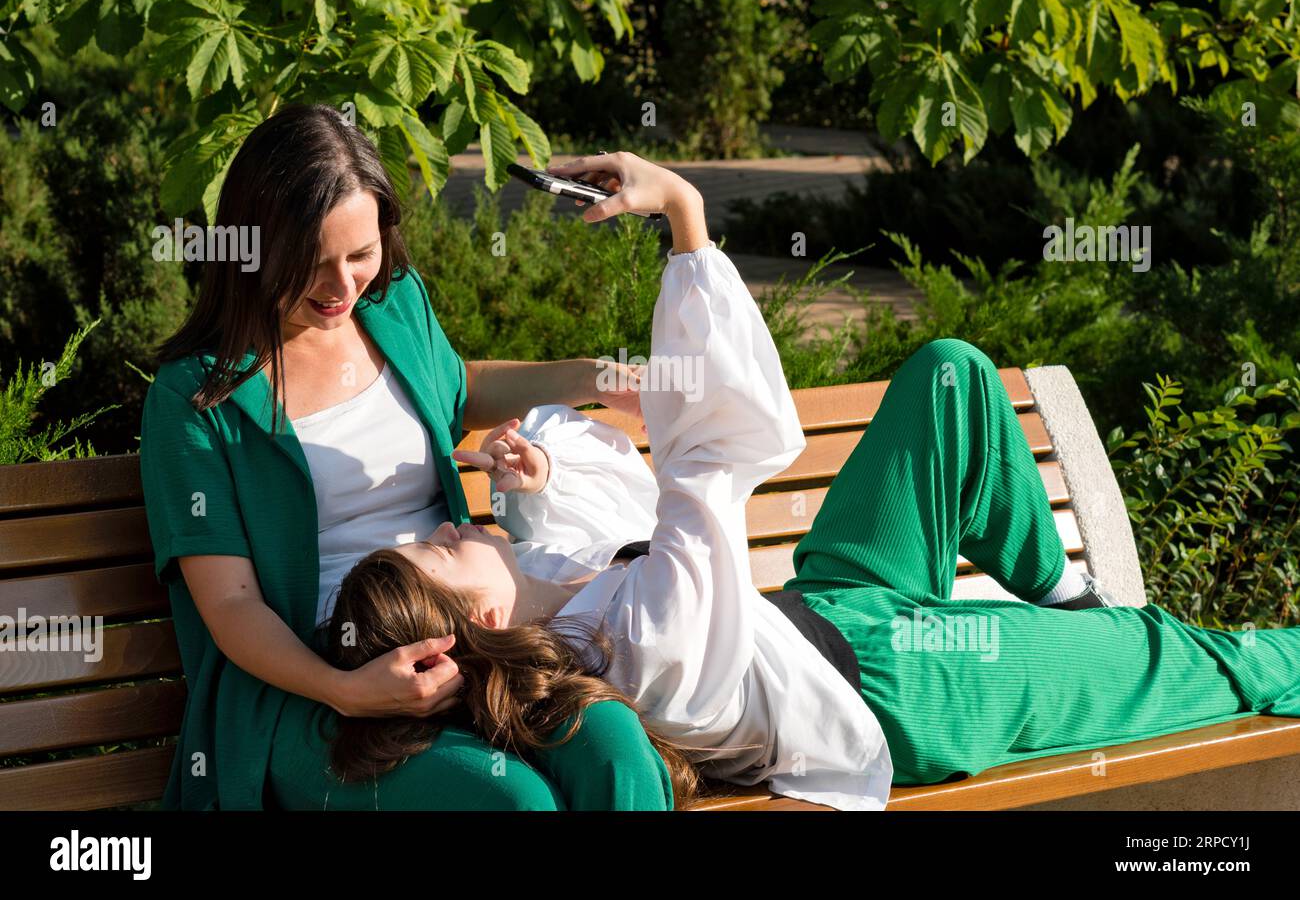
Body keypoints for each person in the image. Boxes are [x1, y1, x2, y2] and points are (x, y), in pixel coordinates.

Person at [326, 150, 1300, 810]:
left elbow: (595, 503)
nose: (456, 519)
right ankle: (1097, 631)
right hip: (913, 681)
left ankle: (1061, 593)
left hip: (830, 603)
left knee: (949, 376)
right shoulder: (640, 638)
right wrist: (685, 217)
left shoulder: (558, 591)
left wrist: (537, 474)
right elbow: (708, 448)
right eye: (445, 544)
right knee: (1197, 653)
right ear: (483, 621)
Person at [139, 104, 670, 810]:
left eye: (360, 254)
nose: (341, 288)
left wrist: (590, 377)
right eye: (311, 264)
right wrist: (348, 690)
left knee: (613, 749)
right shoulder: (195, 399)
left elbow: (459, 387)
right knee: (512, 802)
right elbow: (231, 605)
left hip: (473, 643)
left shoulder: (394, 306)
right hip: (311, 687)